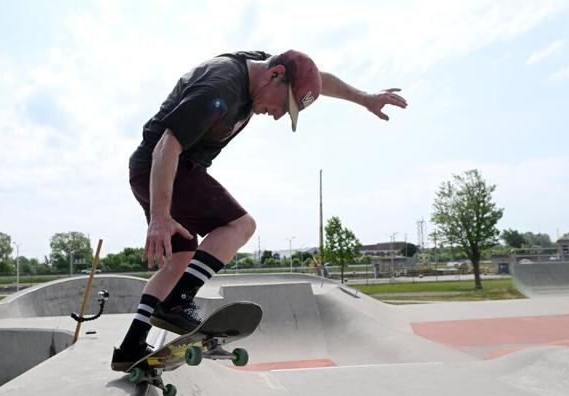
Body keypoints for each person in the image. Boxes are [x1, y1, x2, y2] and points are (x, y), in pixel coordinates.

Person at [111, 49, 407, 370]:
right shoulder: (220, 87)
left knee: (182, 259)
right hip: (166, 166)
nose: (279, 115)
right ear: (275, 75)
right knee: (240, 226)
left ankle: (130, 346)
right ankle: (178, 302)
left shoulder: (265, 67)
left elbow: (320, 79)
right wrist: (159, 218)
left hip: (156, 171)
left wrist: (364, 98)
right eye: (284, 104)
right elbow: (167, 145)